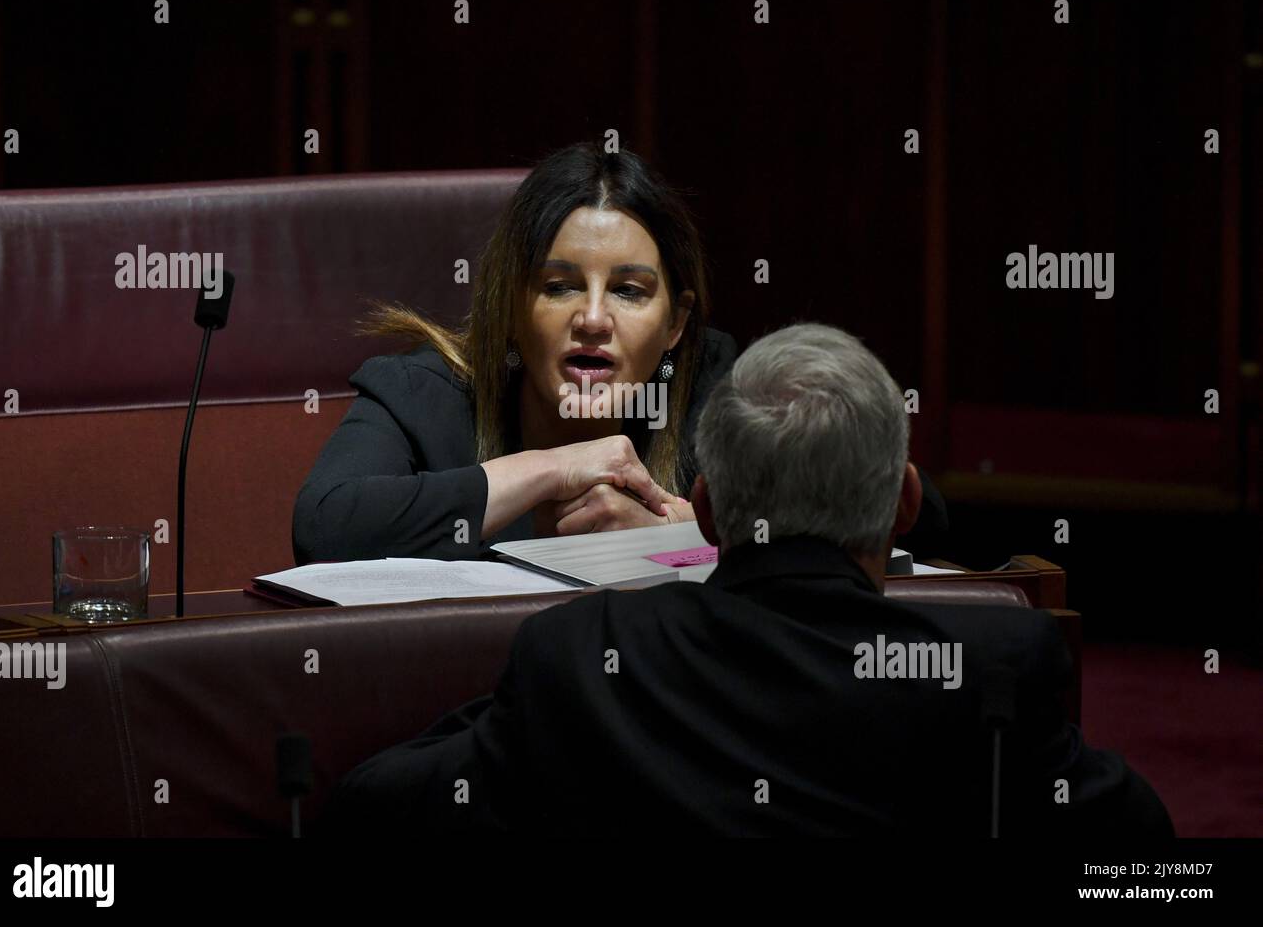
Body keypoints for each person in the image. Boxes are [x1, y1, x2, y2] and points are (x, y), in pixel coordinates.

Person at [317, 322, 1172, 837]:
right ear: (904, 504)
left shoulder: (589, 658)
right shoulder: (991, 671)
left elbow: (371, 809)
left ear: (708, 511)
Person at [292, 142, 948, 564]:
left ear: (674, 324)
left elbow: (911, 514)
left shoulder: (719, 391)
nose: (594, 319)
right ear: (512, 311)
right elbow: (325, 526)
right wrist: (555, 469)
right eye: (558, 287)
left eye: (630, 292)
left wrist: (683, 535)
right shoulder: (425, 394)